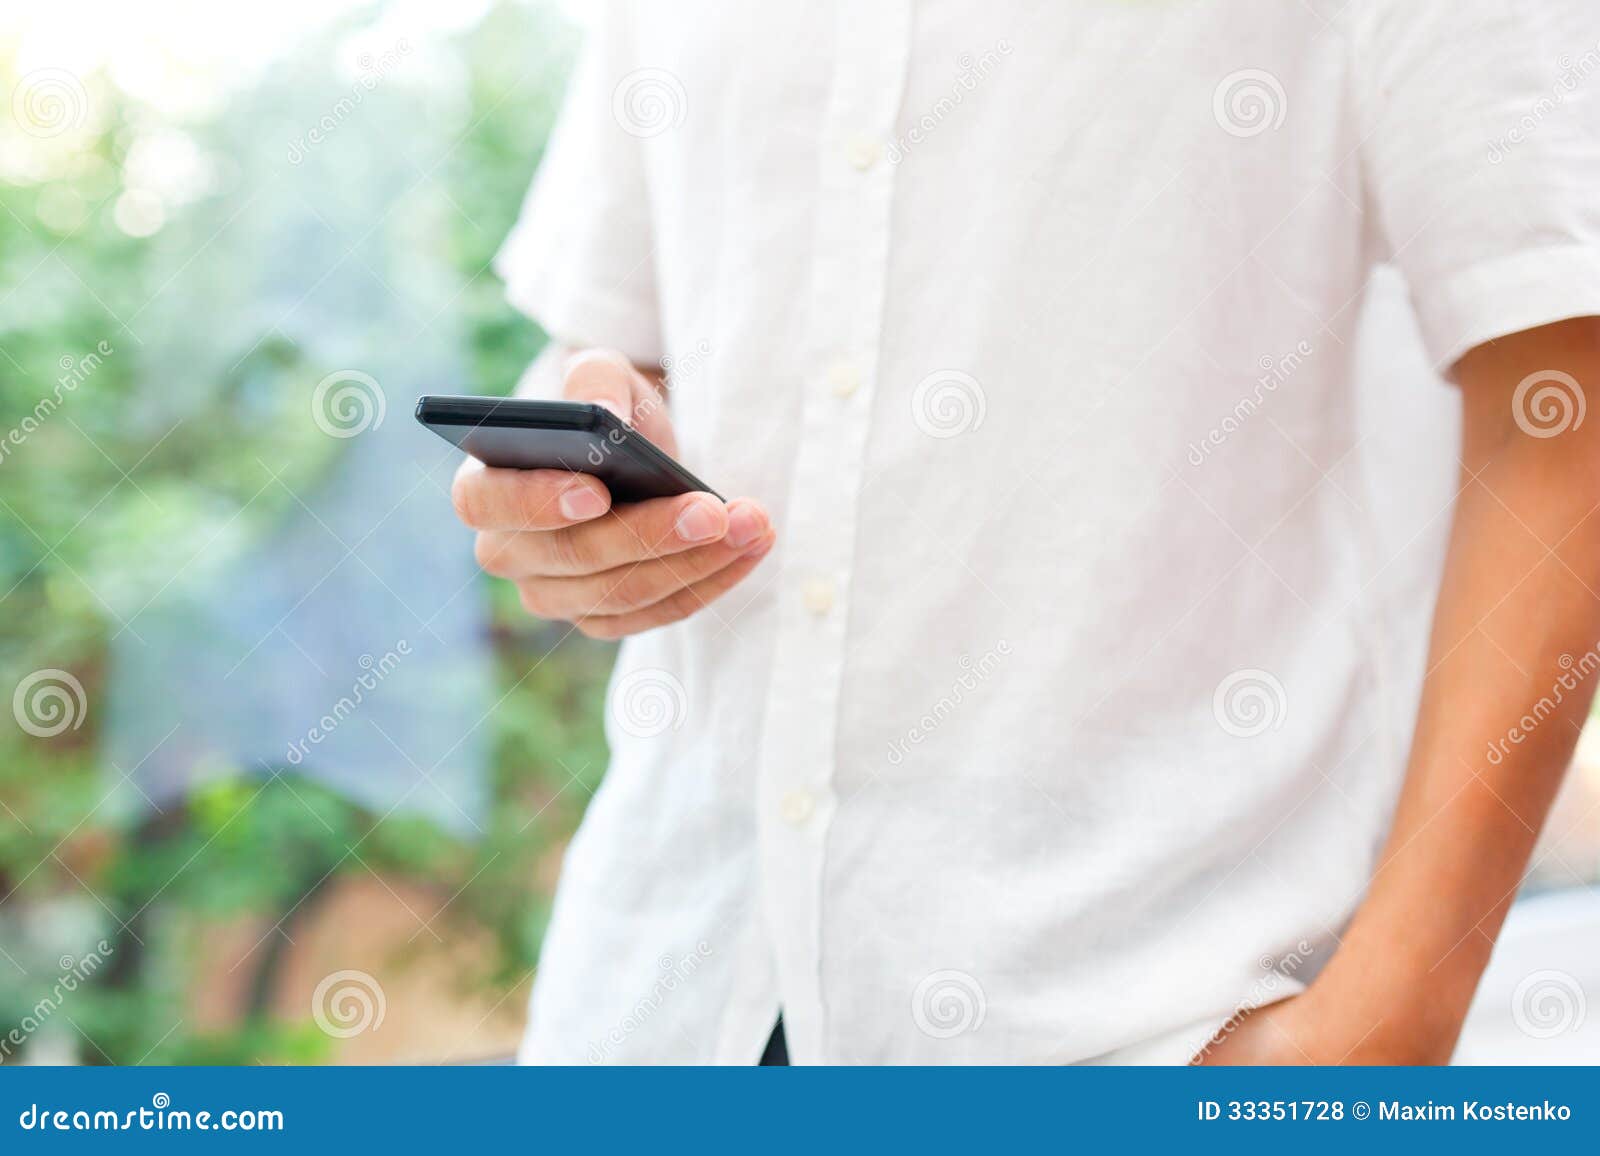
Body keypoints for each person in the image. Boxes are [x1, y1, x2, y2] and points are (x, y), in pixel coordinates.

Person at [449, 0, 1600, 1064]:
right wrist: (579, 481)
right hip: (658, 991)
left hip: (1149, 1020)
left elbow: (1562, 403)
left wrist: (1392, 1017)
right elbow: (613, 342)